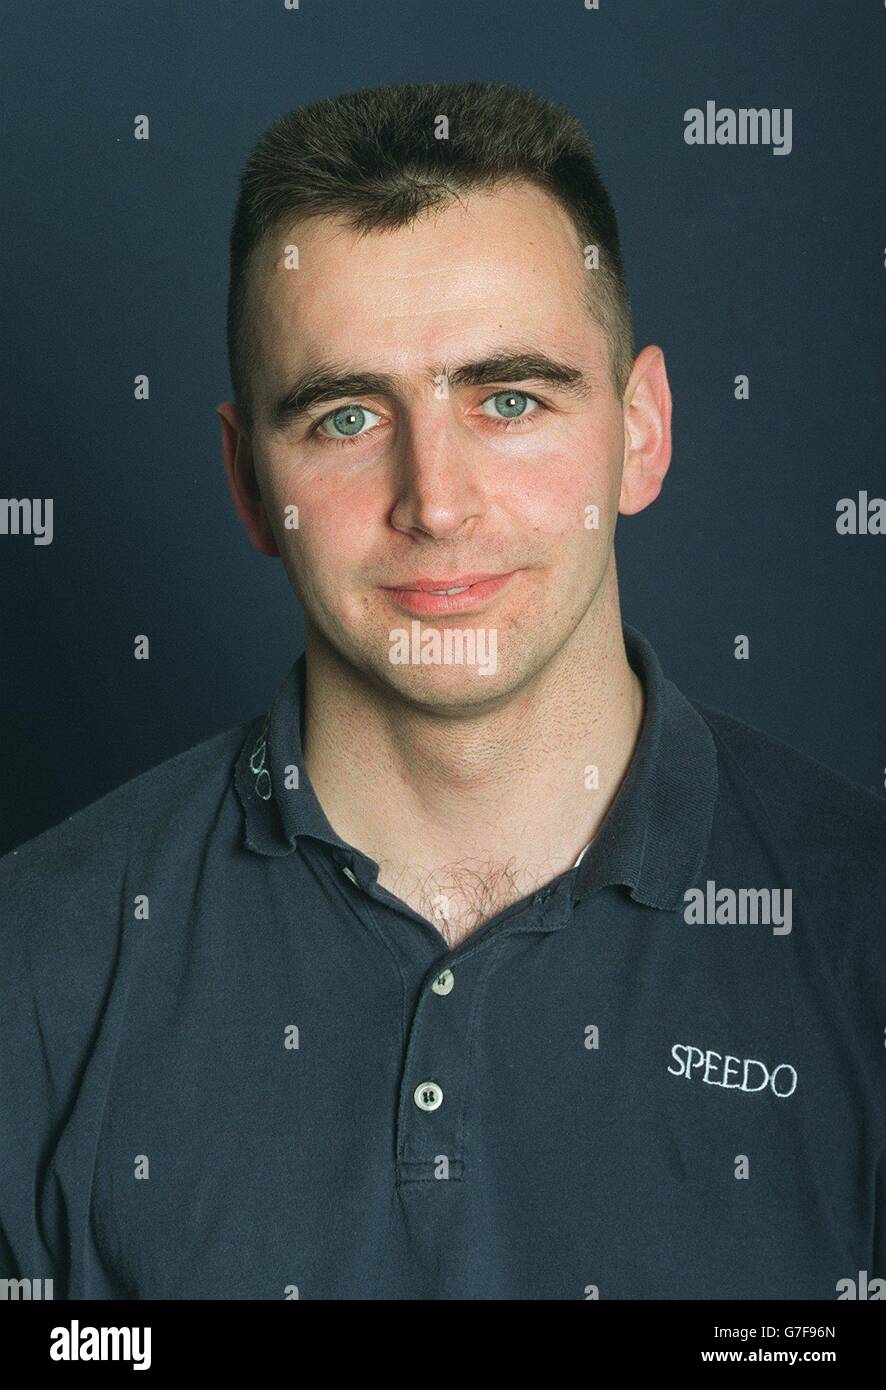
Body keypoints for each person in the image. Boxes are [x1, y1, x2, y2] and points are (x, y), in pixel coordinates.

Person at [1, 80, 883, 1301]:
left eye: (509, 399)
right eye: (346, 415)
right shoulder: (33, 963)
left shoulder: (857, 932)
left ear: (641, 432)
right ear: (250, 484)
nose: (437, 500)